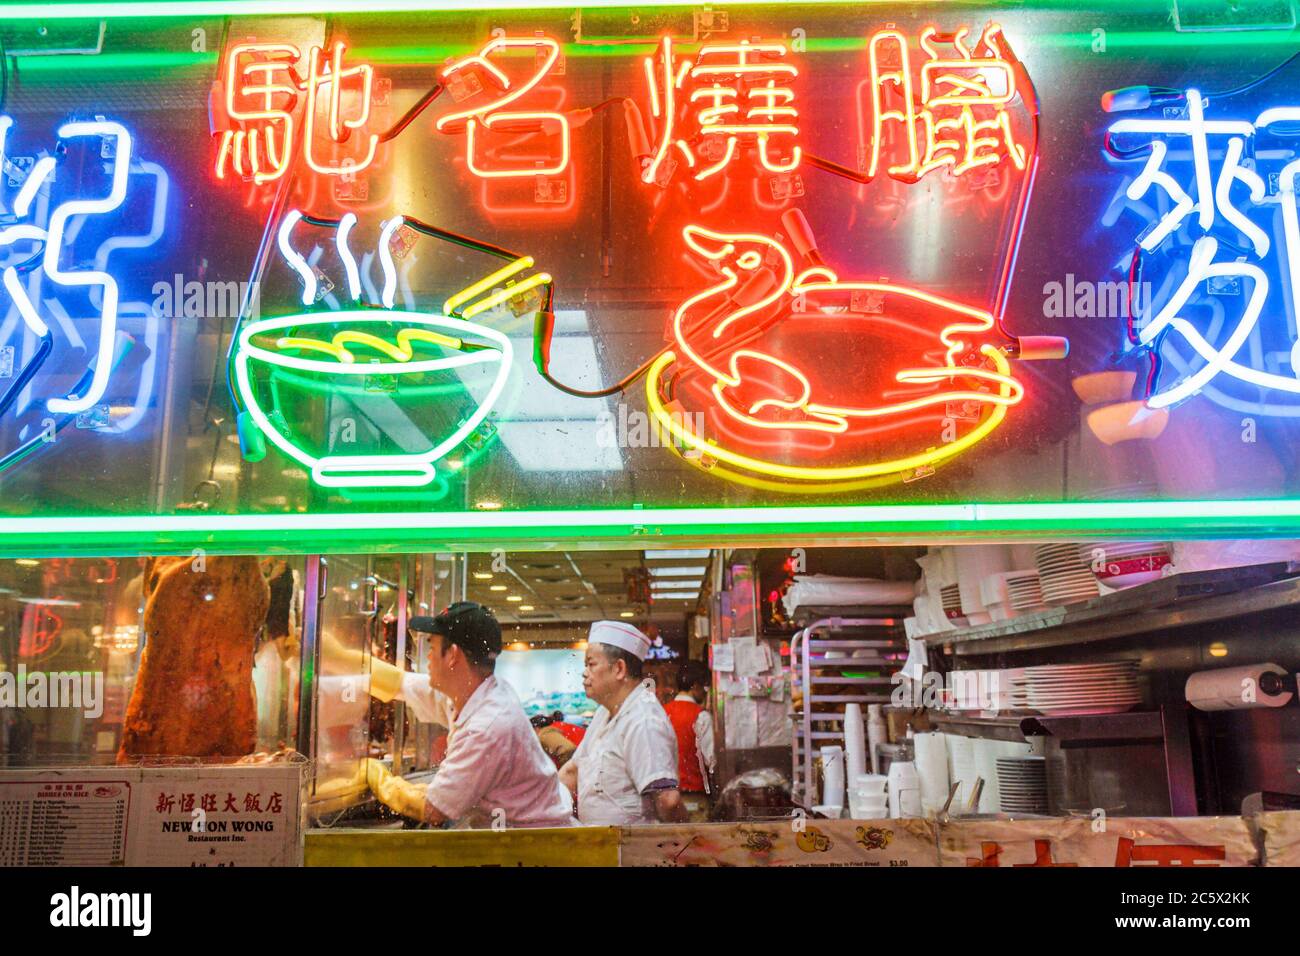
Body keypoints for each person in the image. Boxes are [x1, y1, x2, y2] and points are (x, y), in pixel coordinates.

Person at [362, 602, 573, 828]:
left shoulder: (488, 726)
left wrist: (377, 777)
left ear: (452, 655)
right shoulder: (480, 693)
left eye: (432, 648)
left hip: (538, 846)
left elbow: (434, 809)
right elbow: (402, 684)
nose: (429, 658)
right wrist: (348, 661)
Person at [559, 621, 686, 825]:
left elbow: (668, 801)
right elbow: (572, 771)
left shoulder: (643, 719)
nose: (584, 673)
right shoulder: (604, 712)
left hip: (633, 851)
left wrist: (688, 843)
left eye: (591, 664)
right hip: (602, 848)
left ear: (619, 668)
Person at [663, 659, 715, 820]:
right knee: (696, 844)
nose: (706, 692)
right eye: (705, 687)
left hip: (664, 799)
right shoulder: (701, 716)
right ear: (695, 685)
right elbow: (711, 760)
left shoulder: (661, 713)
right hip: (694, 798)